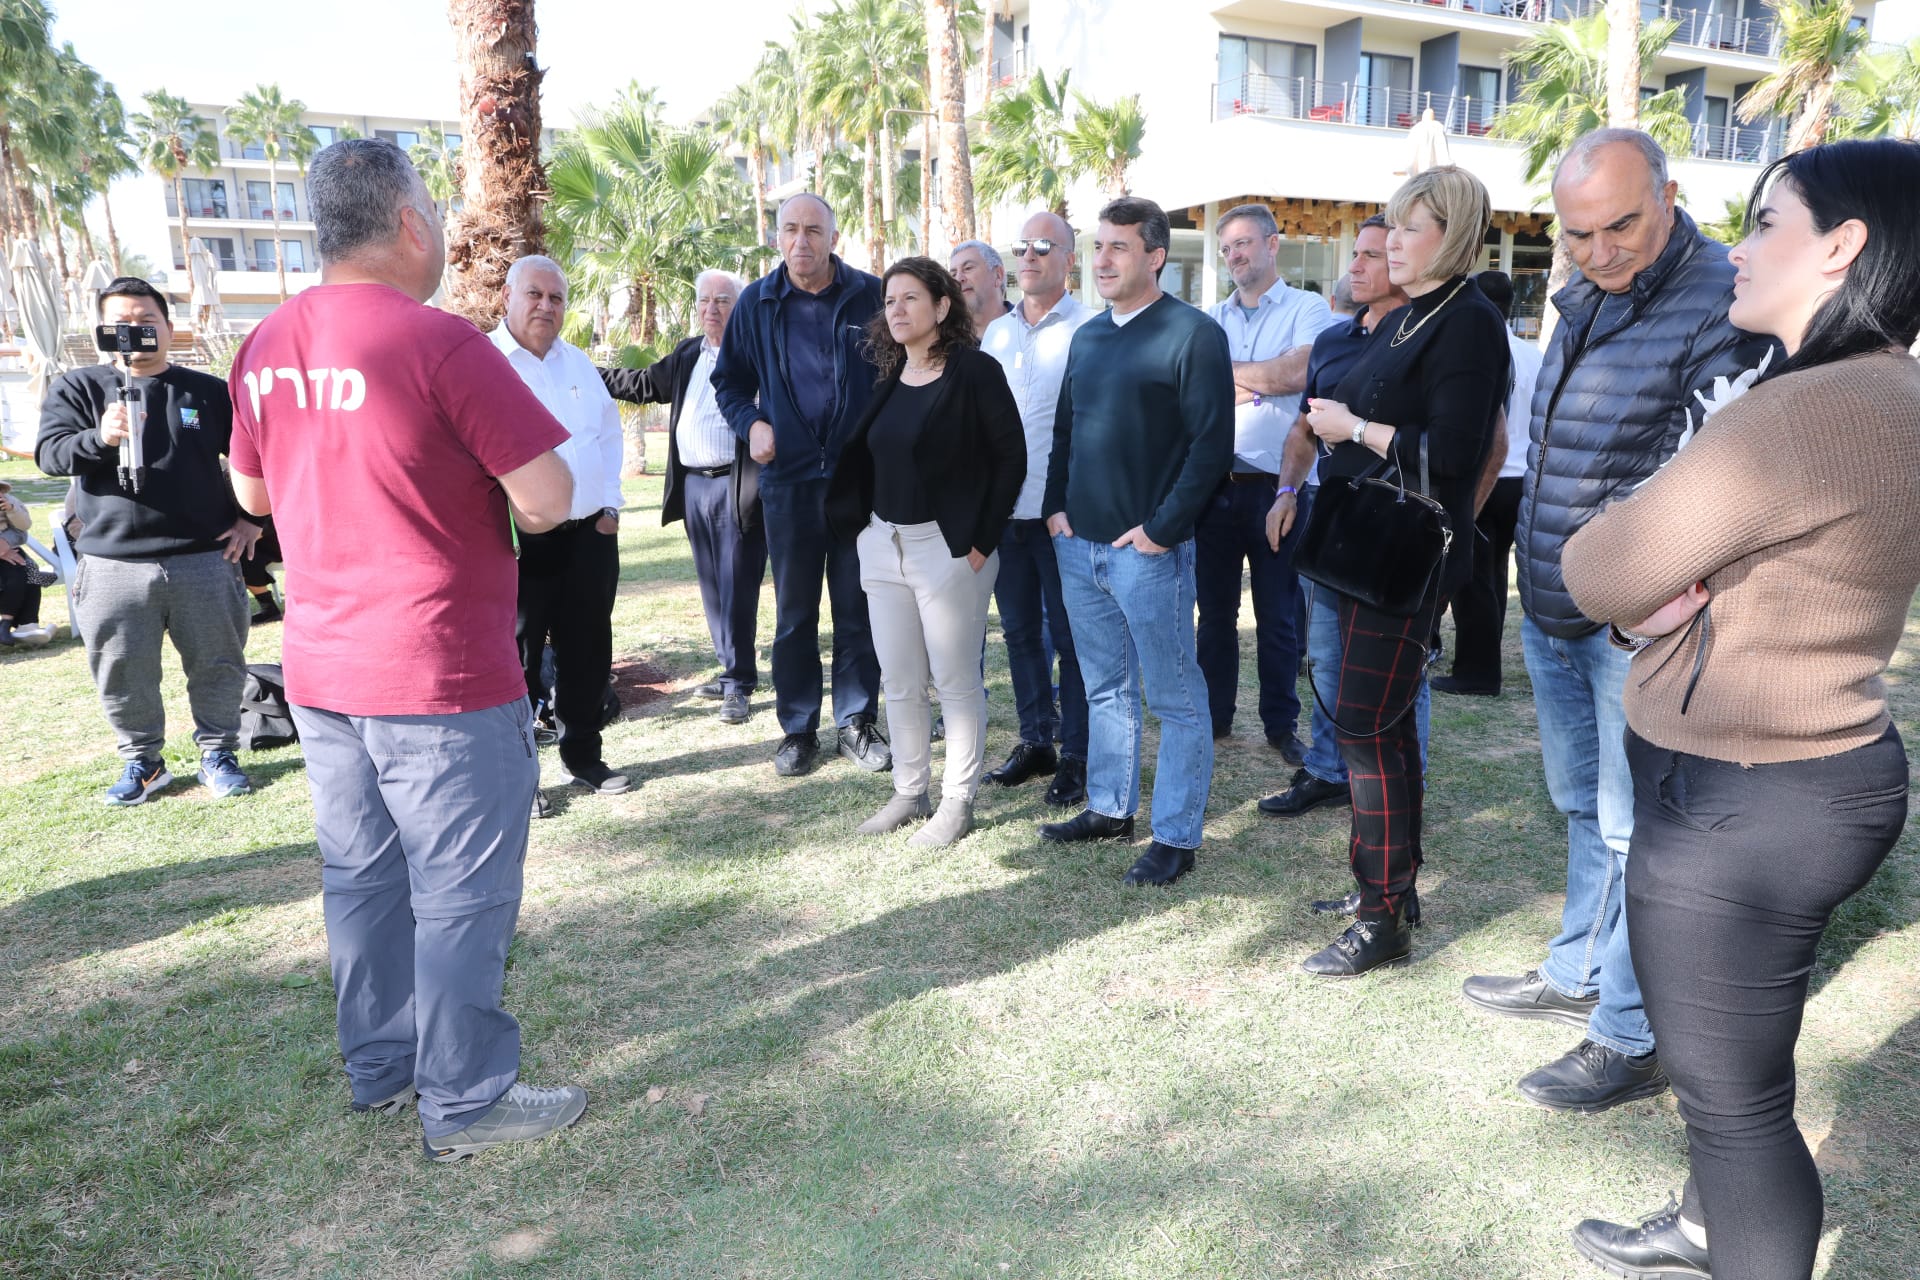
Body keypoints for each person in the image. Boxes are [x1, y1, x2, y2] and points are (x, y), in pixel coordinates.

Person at [1561, 137, 1920, 1280]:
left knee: (1734, 1104)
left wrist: (1625, 579)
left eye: (1770, 221)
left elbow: (1601, 567)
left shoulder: (1799, 411)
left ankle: (1733, 1233)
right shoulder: (1892, 390)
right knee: (1737, 1071)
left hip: (1748, 797)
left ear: (1841, 247)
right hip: (1807, 776)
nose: (1743, 245)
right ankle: (1703, 1225)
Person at [226, 138, 586, 1162]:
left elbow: (251, 496)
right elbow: (549, 499)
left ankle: (381, 1064)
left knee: (364, 880)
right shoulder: (440, 345)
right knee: (462, 889)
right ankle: (465, 1096)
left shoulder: (265, 344)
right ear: (408, 224)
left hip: (325, 669)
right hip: (438, 666)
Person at [1464, 129, 1780, 1113]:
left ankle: (1630, 1033)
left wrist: (1630, 593)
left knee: (1636, 826)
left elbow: (1705, 475)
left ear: (1671, 194)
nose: (1600, 251)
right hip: (1557, 601)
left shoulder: (1724, 300)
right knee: (1581, 806)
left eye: (1622, 225)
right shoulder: (1586, 295)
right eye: (1577, 233)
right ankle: (1578, 969)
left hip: (1638, 621)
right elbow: (1559, 445)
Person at [1294, 166, 1509, 976]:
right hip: (1362, 545)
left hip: (1404, 555)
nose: (1391, 240)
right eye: (1391, 224)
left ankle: (1381, 916)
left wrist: (1354, 425)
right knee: (1374, 729)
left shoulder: (1469, 321)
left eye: (1409, 227)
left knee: (1363, 730)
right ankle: (1392, 891)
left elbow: (1456, 453)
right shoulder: (1414, 315)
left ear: (1450, 234)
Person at [1040, 196, 1233, 887]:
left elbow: (1212, 449)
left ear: (1156, 256)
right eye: (1098, 247)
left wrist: (1160, 531)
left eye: (1119, 247)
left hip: (1147, 556)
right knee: (1103, 688)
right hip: (1077, 546)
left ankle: (1175, 837)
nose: (1103, 260)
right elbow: (1065, 430)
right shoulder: (1088, 336)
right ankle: (1108, 807)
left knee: (1175, 698)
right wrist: (1055, 509)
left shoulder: (1192, 334)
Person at [35, 276, 260, 805]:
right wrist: (101, 437)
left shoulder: (205, 391)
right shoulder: (78, 388)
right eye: (122, 324)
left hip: (203, 557)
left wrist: (253, 521)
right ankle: (143, 761)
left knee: (218, 662)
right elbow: (51, 456)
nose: (134, 332)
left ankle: (219, 752)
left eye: (146, 321)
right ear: (102, 332)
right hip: (112, 563)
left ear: (167, 326)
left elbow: (256, 458)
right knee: (122, 669)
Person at [826, 257, 1025, 846]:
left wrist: (979, 545)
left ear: (942, 307)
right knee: (899, 677)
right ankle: (911, 793)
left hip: (948, 549)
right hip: (883, 546)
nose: (897, 310)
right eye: (890, 301)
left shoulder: (975, 372)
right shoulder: (888, 377)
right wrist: (864, 529)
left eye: (911, 298)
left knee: (956, 680)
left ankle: (958, 804)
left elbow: (1010, 459)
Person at [713, 194, 890, 777]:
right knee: (794, 614)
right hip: (787, 484)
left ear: (834, 237)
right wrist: (752, 424)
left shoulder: (871, 295)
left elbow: (901, 371)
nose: (802, 241)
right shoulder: (756, 304)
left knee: (857, 606)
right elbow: (730, 384)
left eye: (814, 230)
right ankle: (797, 729)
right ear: (776, 236)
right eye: (791, 229)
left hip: (856, 482)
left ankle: (857, 722)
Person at [1257, 214, 1423, 826]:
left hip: (1399, 527)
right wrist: (1285, 491)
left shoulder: (1424, 338)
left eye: (1371, 256)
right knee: (1325, 656)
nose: (1353, 266)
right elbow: (1303, 428)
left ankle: (1407, 780)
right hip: (1331, 518)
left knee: (1402, 667)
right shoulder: (1332, 340)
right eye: (1354, 254)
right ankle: (1329, 771)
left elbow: (1480, 444)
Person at [1201, 202, 1345, 763]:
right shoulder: (1212, 317)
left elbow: (1305, 370)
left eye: (1244, 243)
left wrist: (1238, 378)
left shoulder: (1308, 307)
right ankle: (1215, 719)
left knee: (1278, 615)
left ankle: (1281, 724)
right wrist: (1268, 378)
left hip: (1279, 488)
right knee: (1213, 614)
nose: (1235, 255)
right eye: (1228, 247)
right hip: (1215, 487)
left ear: (1271, 245)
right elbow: (1196, 386)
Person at [491, 254, 631, 797]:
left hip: (589, 537)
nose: (546, 306)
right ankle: (517, 779)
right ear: (508, 296)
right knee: (515, 659)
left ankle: (584, 758)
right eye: (535, 294)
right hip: (520, 544)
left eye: (556, 298)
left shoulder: (579, 365)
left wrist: (612, 509)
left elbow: (608, 437)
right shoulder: (484, 361)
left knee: (587, 651)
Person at [601, 269, 765, 726]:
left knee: (738, 586)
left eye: (723, 301)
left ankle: (740, 682)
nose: (711, 309)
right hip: (695, 487)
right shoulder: (689, 353)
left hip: (738, 486)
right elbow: (642, 384)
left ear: (740, 306)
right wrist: (586, 374)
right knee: (713, 586)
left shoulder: (756, 355)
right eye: (704, 301)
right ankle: (730, 666)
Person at [979, 211, 1094, 805]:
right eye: (1022, 246)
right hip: (1005, 515)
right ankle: (1036, 740)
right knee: (1021, 635)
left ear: (1070, 258)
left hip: (1063, 518)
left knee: (1072, 640)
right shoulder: (995, 334)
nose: (1029, 255)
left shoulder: (1089, 330)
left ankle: (1077, 754)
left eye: (1044, 245)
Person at [1431, 270, 1542, 696]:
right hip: (1522, 478)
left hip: (1487, 477)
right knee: (1494, 571)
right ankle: (1486, 655)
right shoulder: (1532, 354)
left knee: (1474, 578)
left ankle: (1477, 672)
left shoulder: (1478, 349)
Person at [950, 239, 1012, 339]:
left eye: (968, 268)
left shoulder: (1029, 327)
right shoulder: (946, 342)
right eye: (953, 274)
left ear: (998, 275)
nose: (958, 279)